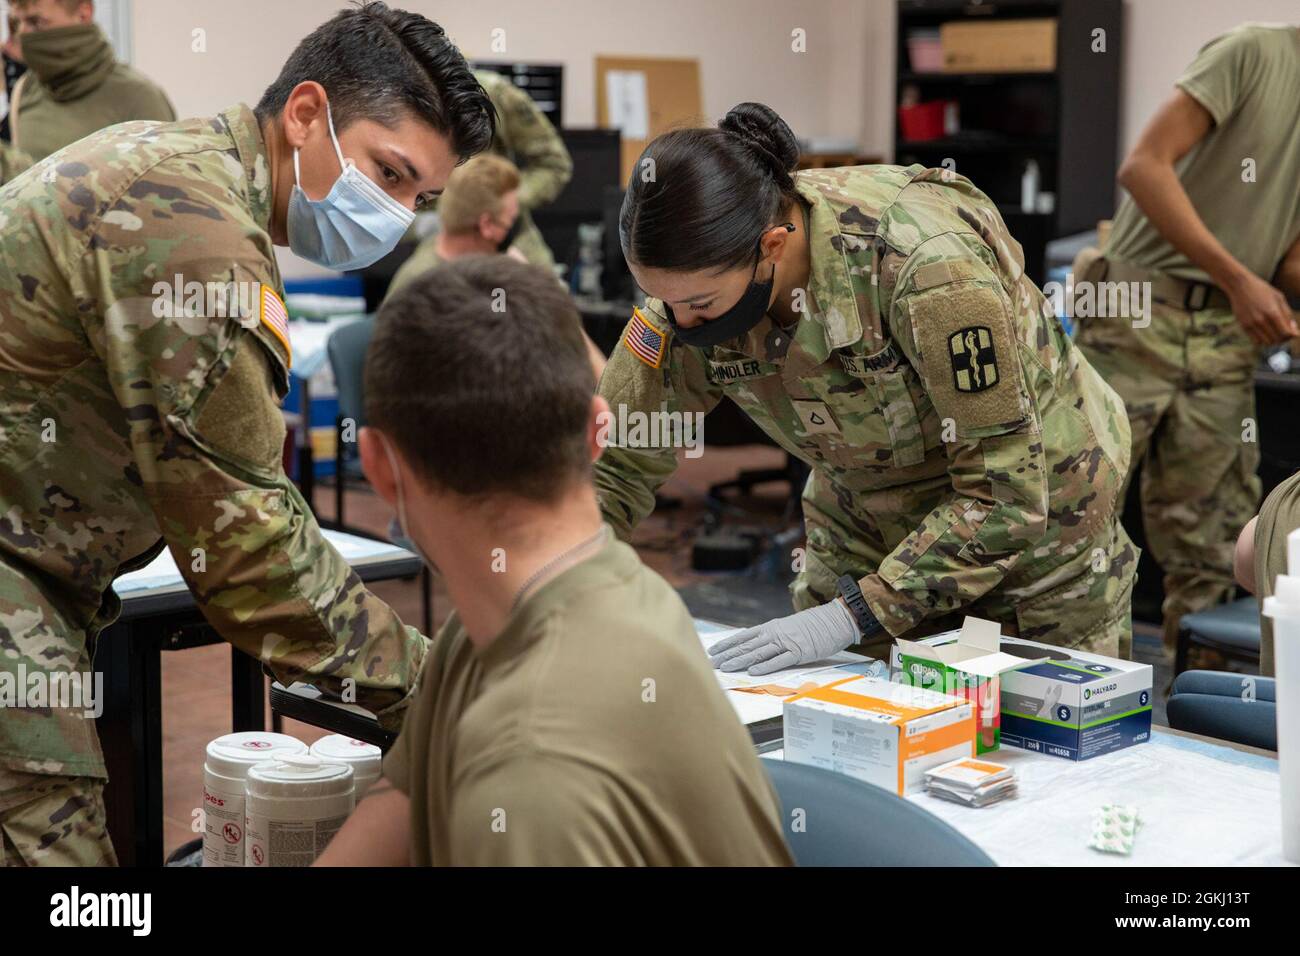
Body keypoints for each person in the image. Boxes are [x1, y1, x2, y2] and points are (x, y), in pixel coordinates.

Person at [0, 1, 495, 867]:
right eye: (386, 172)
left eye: (417, 197)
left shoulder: (188, 176)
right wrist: (442, 691)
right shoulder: (195, 236)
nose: (393, 216)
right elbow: (249, 556)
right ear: (305, 114)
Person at [596, 103, 1136, 675]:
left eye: (700, 305)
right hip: (863, 517)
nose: (682, 325)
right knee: (836, 729)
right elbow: (617, 463)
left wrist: (850, 616)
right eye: (665, 302)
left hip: (1038, 535)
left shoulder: (926, 269)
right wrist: (565, 586)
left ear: (771, 247)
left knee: (1030, 746)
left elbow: (1005, 491)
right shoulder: (693, 287)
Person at [317, 257, 792, 866]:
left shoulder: (531, 770)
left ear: (379, 467)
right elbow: (396, 806)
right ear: (599, 430)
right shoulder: (502, 623)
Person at [1074, 23, 1300, 657]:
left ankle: (1198, 722)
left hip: (1225, 338)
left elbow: (1283, 257)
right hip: (1137, 315)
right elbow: (1142, 167)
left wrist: (1252, 290)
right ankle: (1086, 702)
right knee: (1077, 521)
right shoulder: (1252, 54)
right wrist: (1238, 280)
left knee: (1214, 548)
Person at [385, 152, 606, 377]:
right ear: (487, 225)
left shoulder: (477, 267)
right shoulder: (426, 289)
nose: (512, 232)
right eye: (510, 221)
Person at [6, 0, 174, 163]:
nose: (22, 34)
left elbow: (171, 185)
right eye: (17, 23)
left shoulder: (139, 98)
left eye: (36, 22)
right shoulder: (25, 89)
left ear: (83, 13)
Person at [472, 68, 572, 270]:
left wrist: (508, 202)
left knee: (544, 296)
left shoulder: (492, 94)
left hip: (508, 236)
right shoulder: (399, 100)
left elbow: (553, 163)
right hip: (431, 240)